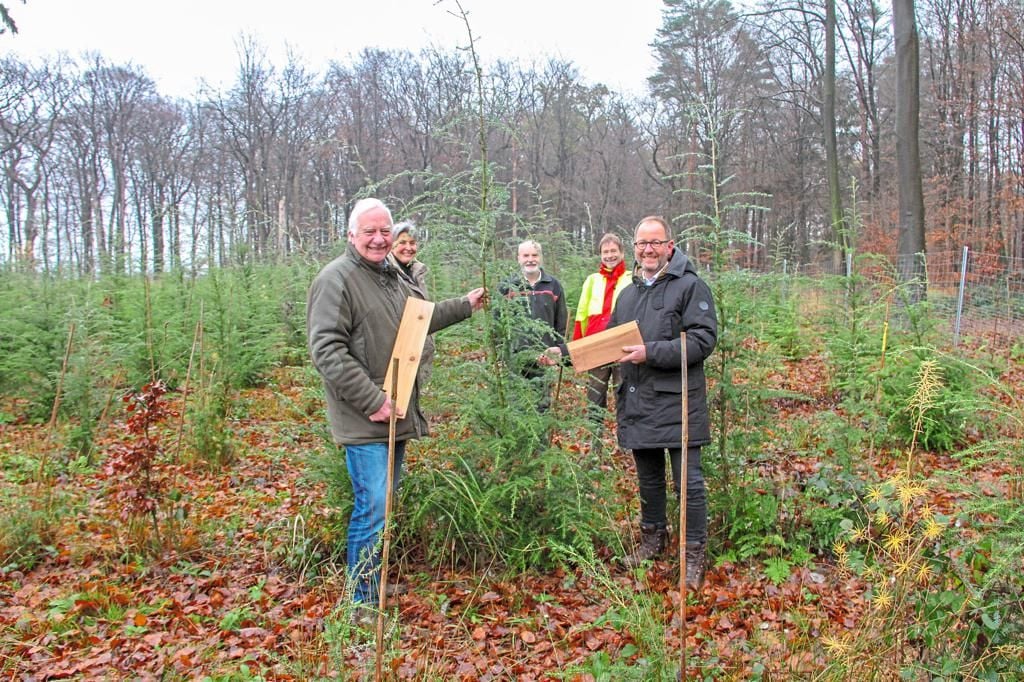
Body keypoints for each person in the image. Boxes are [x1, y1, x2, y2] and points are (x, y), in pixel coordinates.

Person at [307, 198, 485, 624]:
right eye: (369, 231)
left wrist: (465, 305)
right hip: (365, 418)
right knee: (373, 508)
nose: (378, 239)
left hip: (395, 411)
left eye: (384, 231)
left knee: (384, 506)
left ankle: (372, 582)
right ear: (351, 234)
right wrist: (372, 400)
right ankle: (361, 604)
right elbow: (326, 351)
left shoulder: (391, 276)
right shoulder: (336, 279)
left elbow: (419, 320)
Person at [544, 216, 717, 590]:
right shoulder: (629, 295)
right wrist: (566, 354)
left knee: (688, 484)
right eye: (642, 244)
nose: (648, 250)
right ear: (634, 248)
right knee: (648, 479)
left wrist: (650, 352)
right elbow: (607, 341)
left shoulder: (690, 287)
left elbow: (703, 340)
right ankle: (653, 539)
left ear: (670, 246)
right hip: (640, 401)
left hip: (679, 404)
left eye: (655, 243)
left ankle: (693, 555)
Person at [497, 239, 568, 411]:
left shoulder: (553, 285)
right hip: (515, 358)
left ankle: (542, 428)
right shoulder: (507, 287)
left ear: (540, 257)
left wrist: (558, 351)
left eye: (534, 255)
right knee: (517, 405)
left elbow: (561, 322)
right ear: (518, 258)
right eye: (526, 255)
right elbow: (498, 322)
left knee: (542, 405)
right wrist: (501, 354)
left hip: (544, 356)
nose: (530, 259)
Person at [571, 233, 631, 428]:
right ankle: (595, 435)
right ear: (600, 255)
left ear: (622, 253)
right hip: (596, 344)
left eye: (613, 251)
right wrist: (578, 345)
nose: (610, 255)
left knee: (623, 392)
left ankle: (625, 436)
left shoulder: (632, 278)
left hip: (623, 345)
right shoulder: (592, 280)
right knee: (595, 392)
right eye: (605, 252)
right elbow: (582, 312)